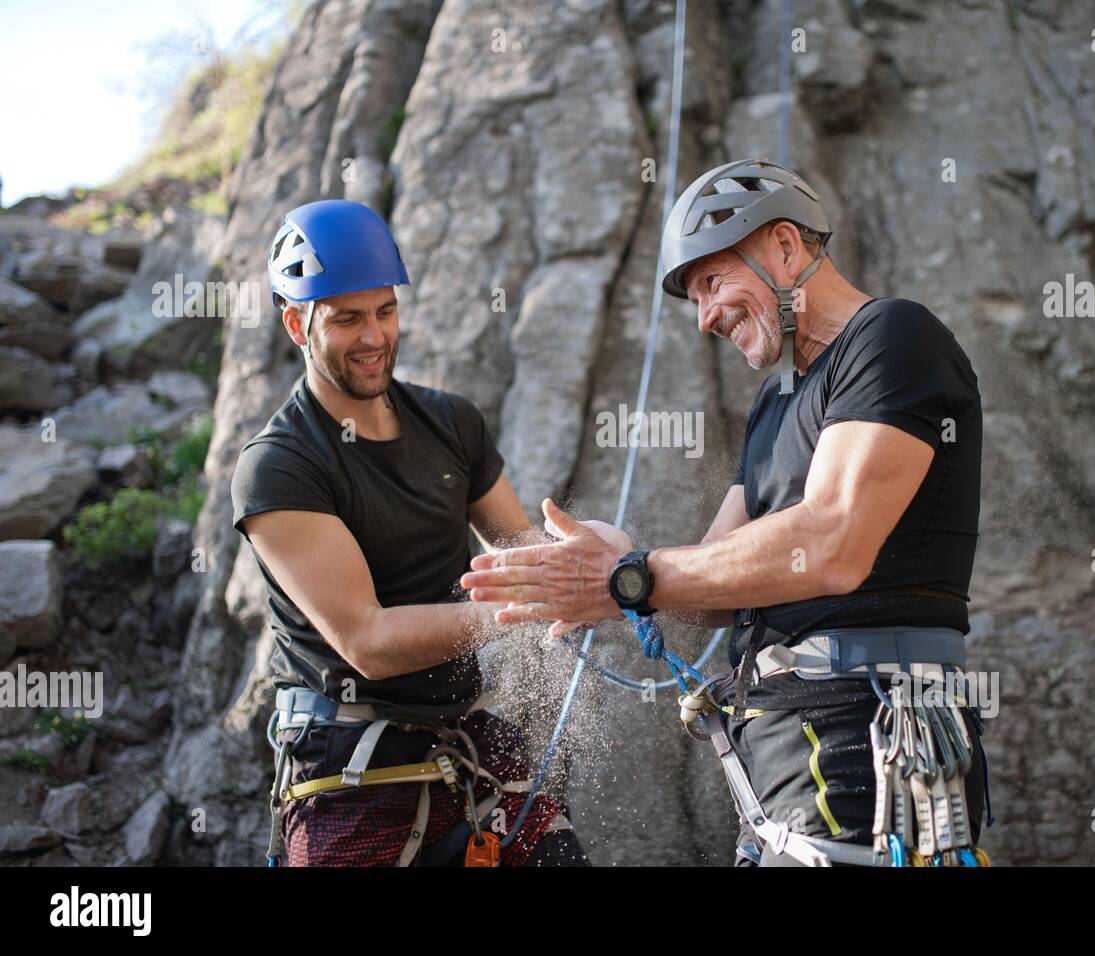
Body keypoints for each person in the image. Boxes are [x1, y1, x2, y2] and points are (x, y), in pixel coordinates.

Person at [460, 158, 991, 866]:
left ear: (784, 246)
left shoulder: (893, 339)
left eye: (712, 281)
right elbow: (715, 586)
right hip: (776, 762)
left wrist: (633, 576)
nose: (706, 317)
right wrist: (616, 561)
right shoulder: (777, 401)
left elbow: (833, 539)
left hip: (865, 743)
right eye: (697, 298)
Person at [231, 199, 587, 866]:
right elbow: (368, 642)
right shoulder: (279, 467)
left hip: (466, 741)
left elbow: (520, 552)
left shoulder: (450, 424)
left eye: (385, 311)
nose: (374, 336)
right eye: (346, 319)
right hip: (350, 763)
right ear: (295, 324)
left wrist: (590, 566)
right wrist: (520, 608)